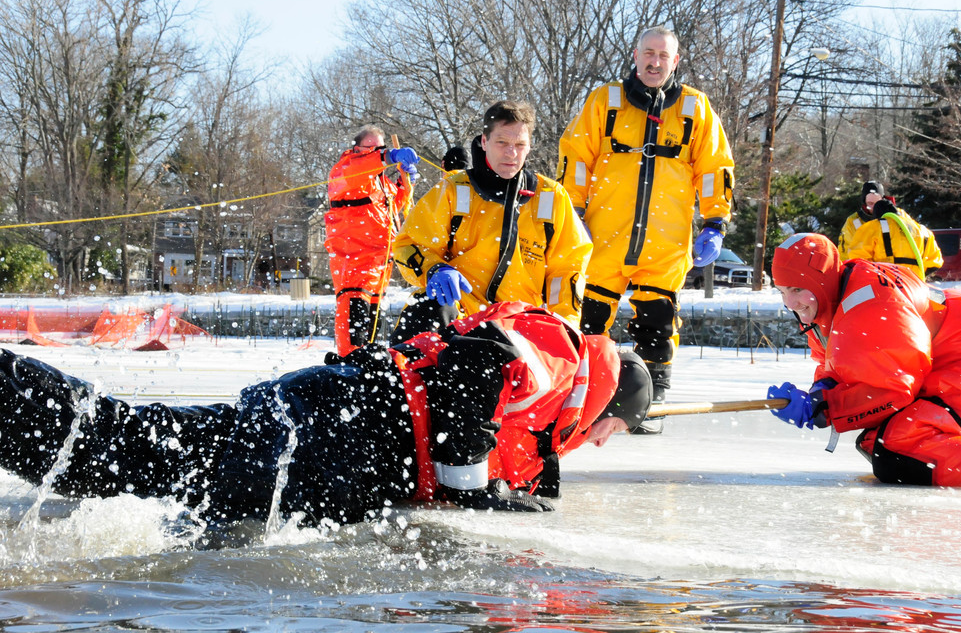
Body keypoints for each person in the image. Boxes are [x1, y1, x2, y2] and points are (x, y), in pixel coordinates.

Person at [0, 302, 653, 542]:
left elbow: (430, 331)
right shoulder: (571, 360)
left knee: (132, 462)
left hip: (341, 433)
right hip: (340, 430)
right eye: (615, 429)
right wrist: (470, 488)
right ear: (613, 407)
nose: (601, 440)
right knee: (126, 451)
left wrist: (489, 493)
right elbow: (467, 369)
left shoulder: (555, 392)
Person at [557, 25, 735, 424]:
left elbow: (714, 167)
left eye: (663, 55)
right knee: (589, 321)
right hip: (602, 239)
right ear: (635, 56)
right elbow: (576, 157)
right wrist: (574, 213)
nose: (655, 62)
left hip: (664, 242)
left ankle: (650, 401)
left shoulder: (696, 108)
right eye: (648, 53)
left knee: (657, 324)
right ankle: (582, 395)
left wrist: (715, 220)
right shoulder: (606, 101)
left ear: (676, 61)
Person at [767, 232, 961, 488]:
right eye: (782, 291)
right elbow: (836, 363)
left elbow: (895, 390)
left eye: (797, 289)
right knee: (878, 442)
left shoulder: (869, 305)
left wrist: (824, 407)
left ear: (820, 279)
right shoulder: (831, 301)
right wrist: (823, 389)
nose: (790, 303)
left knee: (898, 451)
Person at [391, 101, 591, 341]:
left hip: (519, 326)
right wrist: (434, 268)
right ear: (484, 142)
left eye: (520, 144)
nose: (511, 153)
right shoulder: (453, 190)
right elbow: (410, 244)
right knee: (425, 309)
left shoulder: (551, 197)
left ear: (529, 147)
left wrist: (564, 326)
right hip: (459, 318)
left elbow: (569, 268)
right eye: (502, 142)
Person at [324, 125, 420, 356]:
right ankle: (349, 361)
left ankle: (367, 361)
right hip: (354, 257)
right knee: (354, 313)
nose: (377, 152)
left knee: (373, 321)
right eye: (372, 148)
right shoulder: (346, 169)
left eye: (381, 148)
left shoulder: (380, 183)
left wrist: (406, 182)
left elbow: (392, 206)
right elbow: (360, 167)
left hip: (378, 262)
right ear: (358, 148)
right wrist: (387, 156)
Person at [843, 194, 943, 280]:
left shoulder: (872, 227)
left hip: (886, 286)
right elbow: (935, 262)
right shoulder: (923, 230)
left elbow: (858, 259)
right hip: (915, 286)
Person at [836, 181, 884, 260]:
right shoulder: (853, 222)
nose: (874, 207)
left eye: (877, 203)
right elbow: (844, 252)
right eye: (870, 203)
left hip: (889, 268)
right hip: (863, 268)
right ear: (864, 201)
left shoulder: (892, 218)